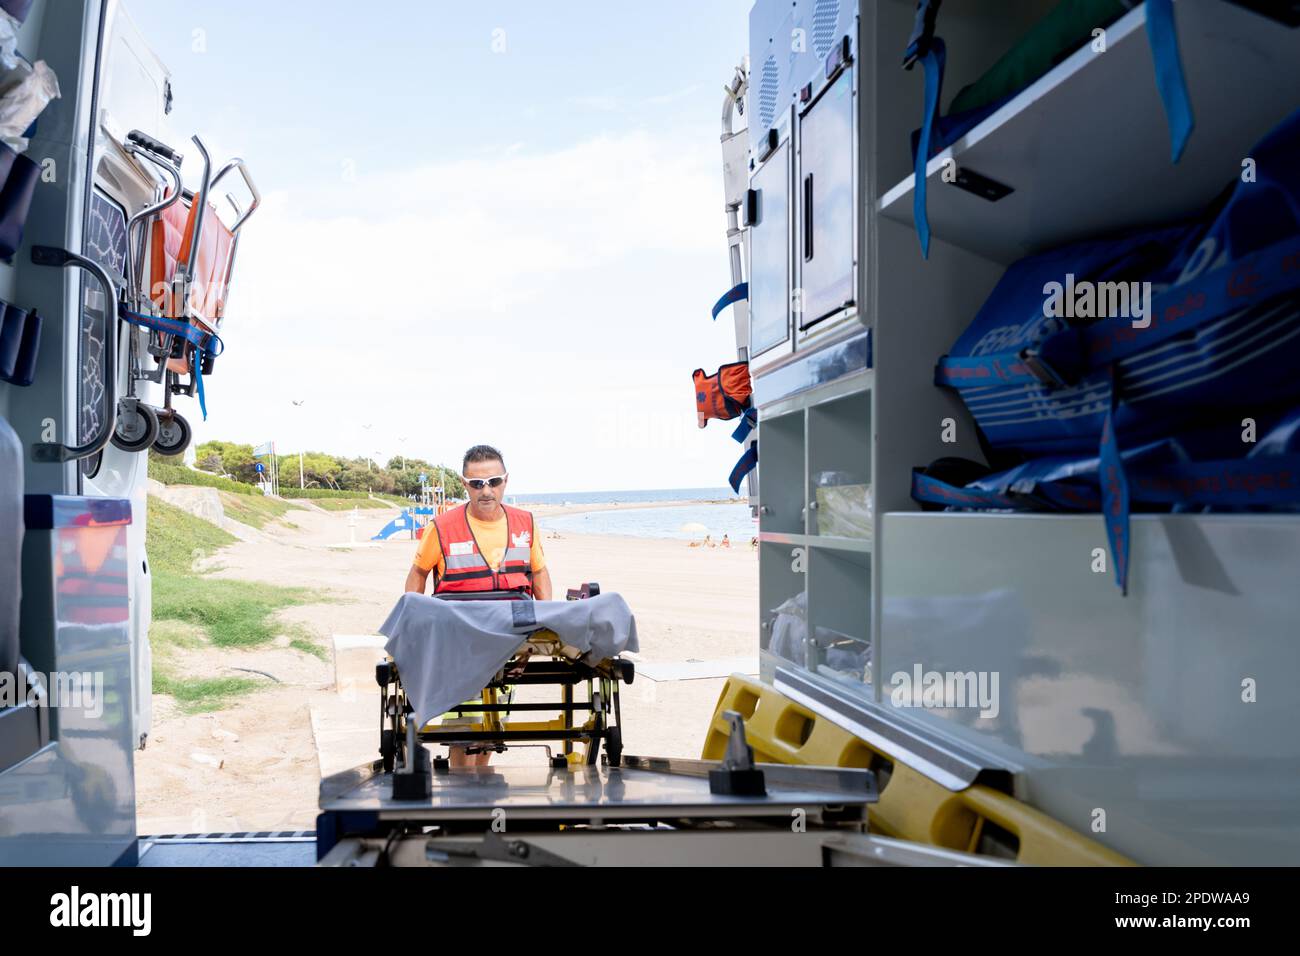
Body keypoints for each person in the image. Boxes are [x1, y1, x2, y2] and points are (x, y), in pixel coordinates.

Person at [404, 445, 552, 768]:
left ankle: (481, 804)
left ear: (505, 481)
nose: (486, 491)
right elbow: (418, 574)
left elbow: (538, 572)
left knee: (490, 734)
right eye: (477, 484)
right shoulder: (441, 528)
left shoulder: (525, 523)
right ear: (464, 484)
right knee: (465, 735)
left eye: (494, 481)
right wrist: (413, 624)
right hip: (460, 646)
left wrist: (546, 622)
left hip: (511, 645)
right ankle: (461, 807)